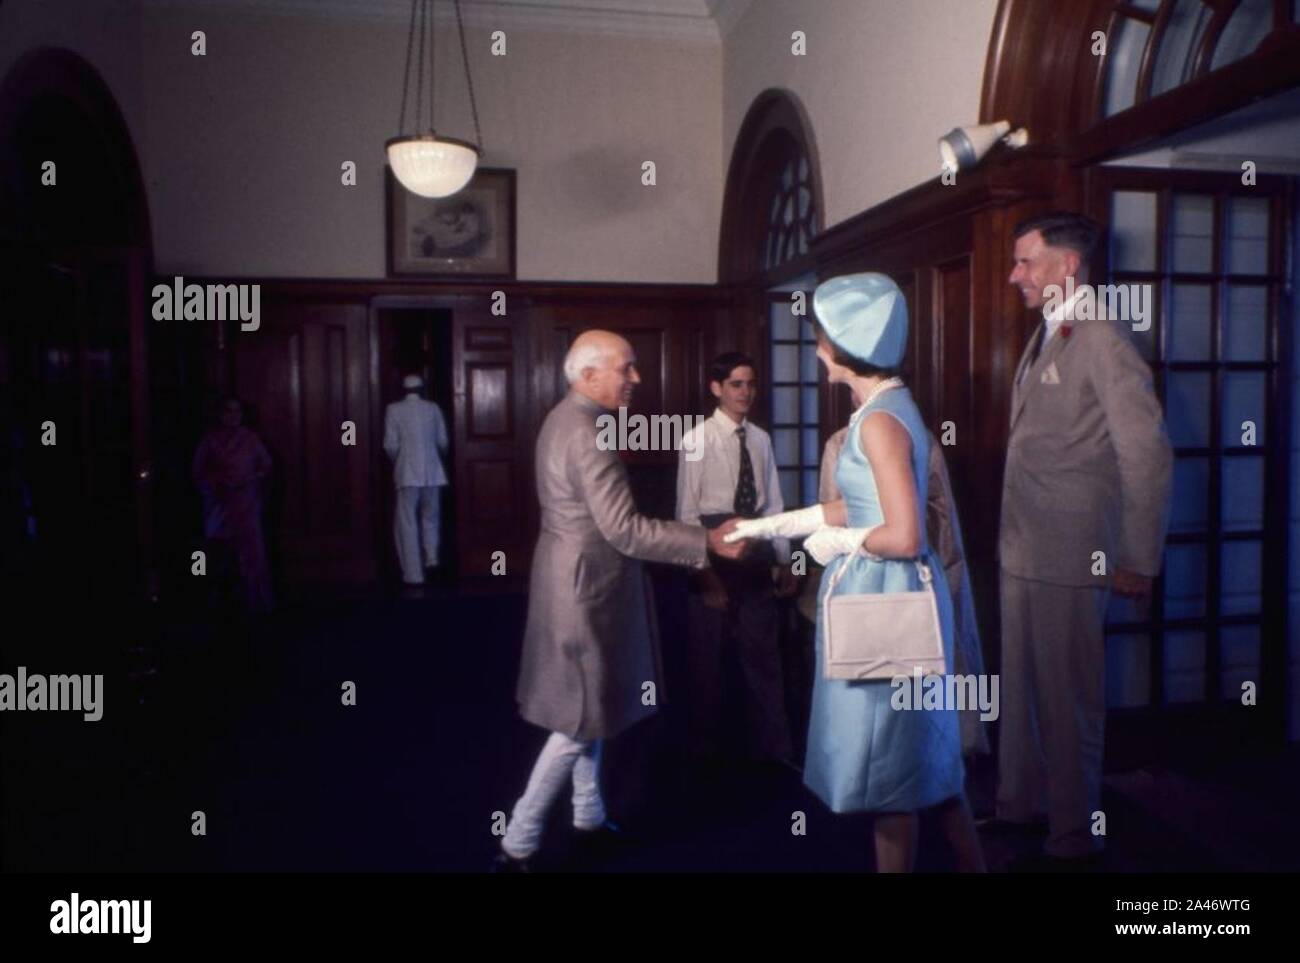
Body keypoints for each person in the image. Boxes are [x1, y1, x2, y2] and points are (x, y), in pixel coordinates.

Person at [729, 273, 984, 872]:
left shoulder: (877, 421)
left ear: (847, 344)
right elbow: (859, 504)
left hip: (887, 598)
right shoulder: (887, 405)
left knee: (892, 771)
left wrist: (834, 542)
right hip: (885, 592)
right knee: (923, 763)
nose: (817, 350)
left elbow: (904, 534)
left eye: (822, 339)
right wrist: (769, 527)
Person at [495, 330, 749, 872]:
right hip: (585, 592)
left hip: (575, 582)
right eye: (626, 368)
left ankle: (588, 818)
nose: (636, 378)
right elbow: (626, 531)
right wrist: (705, 540)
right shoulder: (589, 433)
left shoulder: (565, 417)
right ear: (588, 375)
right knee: (577, 721)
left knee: (592, 707)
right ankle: (517, 845)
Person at [997, 211, 1172, 865]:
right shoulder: (1051, 330)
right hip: (1022, 548)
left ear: (1067, 265)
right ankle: (1021, 806)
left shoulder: (1102, 338)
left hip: (1074, 552)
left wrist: (1135, 556)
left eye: (1026, 261)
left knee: (1070, 698)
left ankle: (1075, 832)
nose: (1015, 274)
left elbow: (1147, 454)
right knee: (1021, 689)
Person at [815, 423, 990, 759]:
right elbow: (830, 515)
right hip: (862, 572)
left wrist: (948, 575)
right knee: (870, 678)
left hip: (916, 570)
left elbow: (944, 515)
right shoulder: (839, 442)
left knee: (922, 674)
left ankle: (927, 758)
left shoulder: (920, 439)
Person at [676, 352, 798, 766]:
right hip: (712, 552)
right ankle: (704, 757)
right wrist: (706, 576)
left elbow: (774, 502)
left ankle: (776, 754)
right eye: (736, 384)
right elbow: (686, 514)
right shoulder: (696, 440)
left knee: (764, 656)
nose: (745, 392)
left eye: (750, 384)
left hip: (756, 551)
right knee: (707, 661)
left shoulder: (761, 439)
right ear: (716, 388)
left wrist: (782, 559)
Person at [192, 396, 273, 612]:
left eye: (237, 412)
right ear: (220, 414)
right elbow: (197, 472)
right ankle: (214, 601)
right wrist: (216, 483)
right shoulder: (210, 440)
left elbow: (266, 467)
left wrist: (249, 482)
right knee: (218, 551)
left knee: (251, 553)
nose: (233, 417)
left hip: (246, 503)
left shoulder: (251, 439)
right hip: (218, 504)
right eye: (228, 411)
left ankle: (255, 601)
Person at [383, 374, 450, 586]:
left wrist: (398, 461)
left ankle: (414, 574)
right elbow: (443, 441)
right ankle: (431, 556)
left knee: (407, 522)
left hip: (407, 473)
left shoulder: (394, 409)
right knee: (431, 516)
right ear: (422, 389)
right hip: (433, 471)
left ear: (404, 390)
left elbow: (390, 445)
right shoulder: (433, 408)